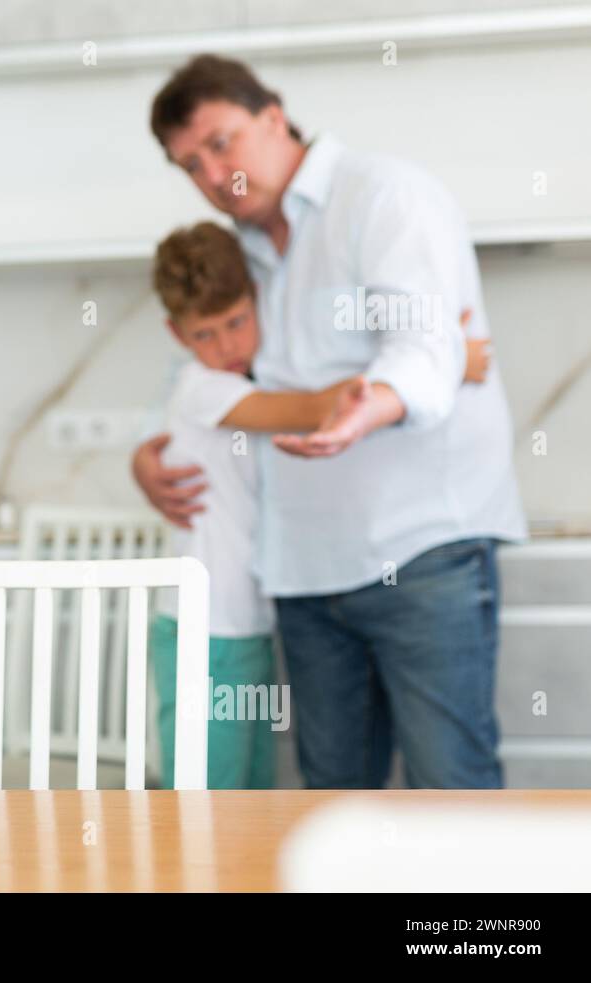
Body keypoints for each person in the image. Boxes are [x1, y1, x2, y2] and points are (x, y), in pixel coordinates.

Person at [135, 55, 527, 789]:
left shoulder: (383, 197)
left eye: (221, 143)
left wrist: (369, 405)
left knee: (452, 785)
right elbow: (206, 376)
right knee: (334, 801)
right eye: (190, 163)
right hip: (305, 573)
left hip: (421, 553)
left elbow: (420, 347)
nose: (214, 175)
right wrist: (145, 457)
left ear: (275, 116)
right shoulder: (243, 248)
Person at [145, 221, 490, 789]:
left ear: (257, 301)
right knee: (204, 803)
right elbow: (309, 409)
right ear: (177, 335)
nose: (226, 346)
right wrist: (446, 359)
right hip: (201, 631)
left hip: (244, 625)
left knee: (248, 801)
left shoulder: (243, 378)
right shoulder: (200, 388)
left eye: (236, 322)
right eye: (205, 334)